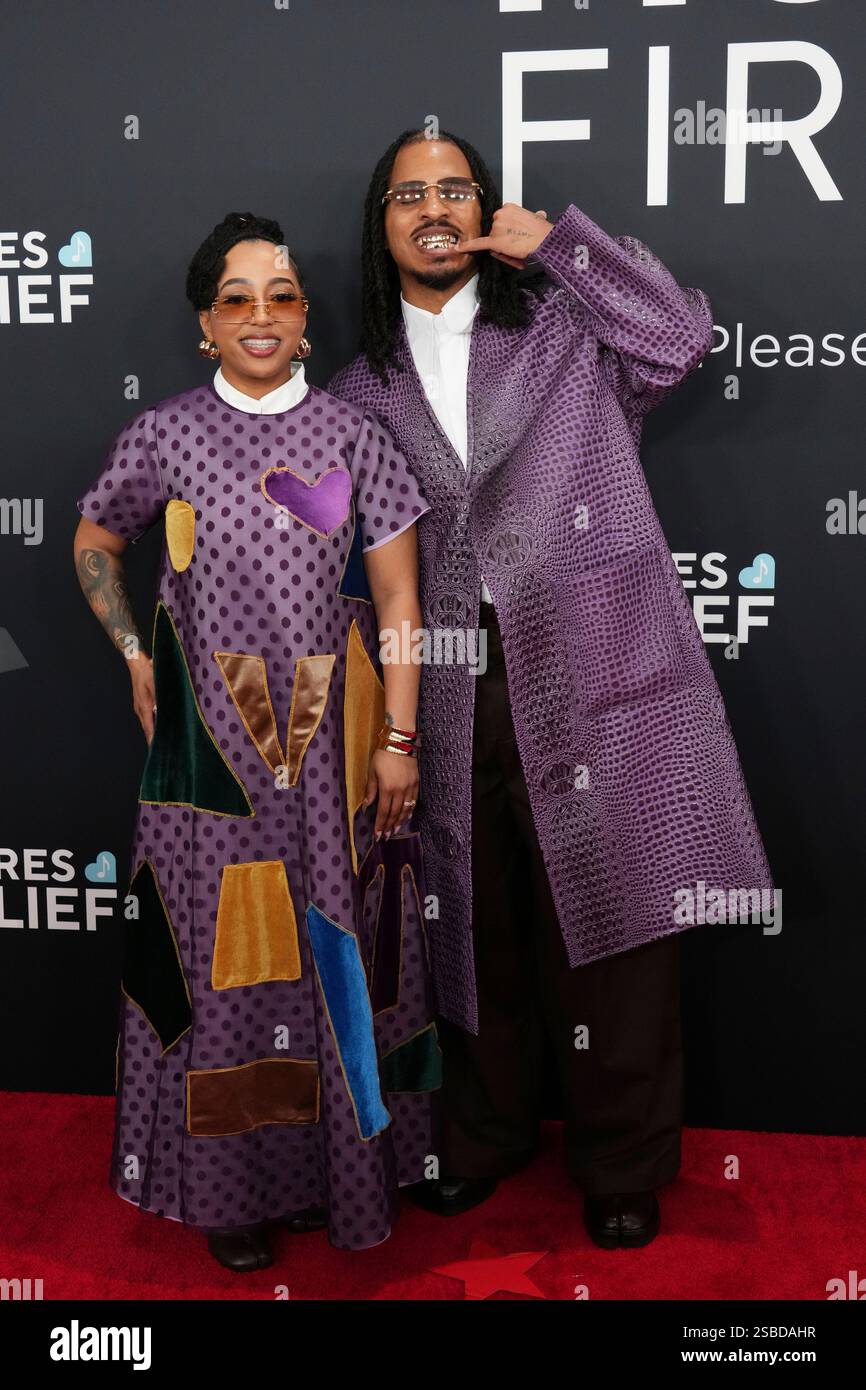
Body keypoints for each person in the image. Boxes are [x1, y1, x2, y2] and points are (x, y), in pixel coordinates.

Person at [327, 130, 774, 1249]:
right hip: (443, 684)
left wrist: (558, 246)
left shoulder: (567, 325)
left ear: (483, 204)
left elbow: (679, 339)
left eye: (453, 187)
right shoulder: (355, 386)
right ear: (380, 226)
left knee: (613, 928)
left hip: (590, 669)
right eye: (406, 194)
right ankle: (480, 1137)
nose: (431, 207)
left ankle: (619, 1161)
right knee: (466, 921)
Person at [73, 212, 439, 1272]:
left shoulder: (355, 436)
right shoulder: (165, 436)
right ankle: (231, 1189)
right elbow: (98, 540)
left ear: (305, 316)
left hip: (335, 749)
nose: (261, 316)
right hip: (208, 767)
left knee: (330, 961)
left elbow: (401, 594)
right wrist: (134, 655)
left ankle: (342, 1176)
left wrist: (400, 739)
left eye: (279, 295)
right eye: (237, 298)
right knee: (222, 969)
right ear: (205, 324)